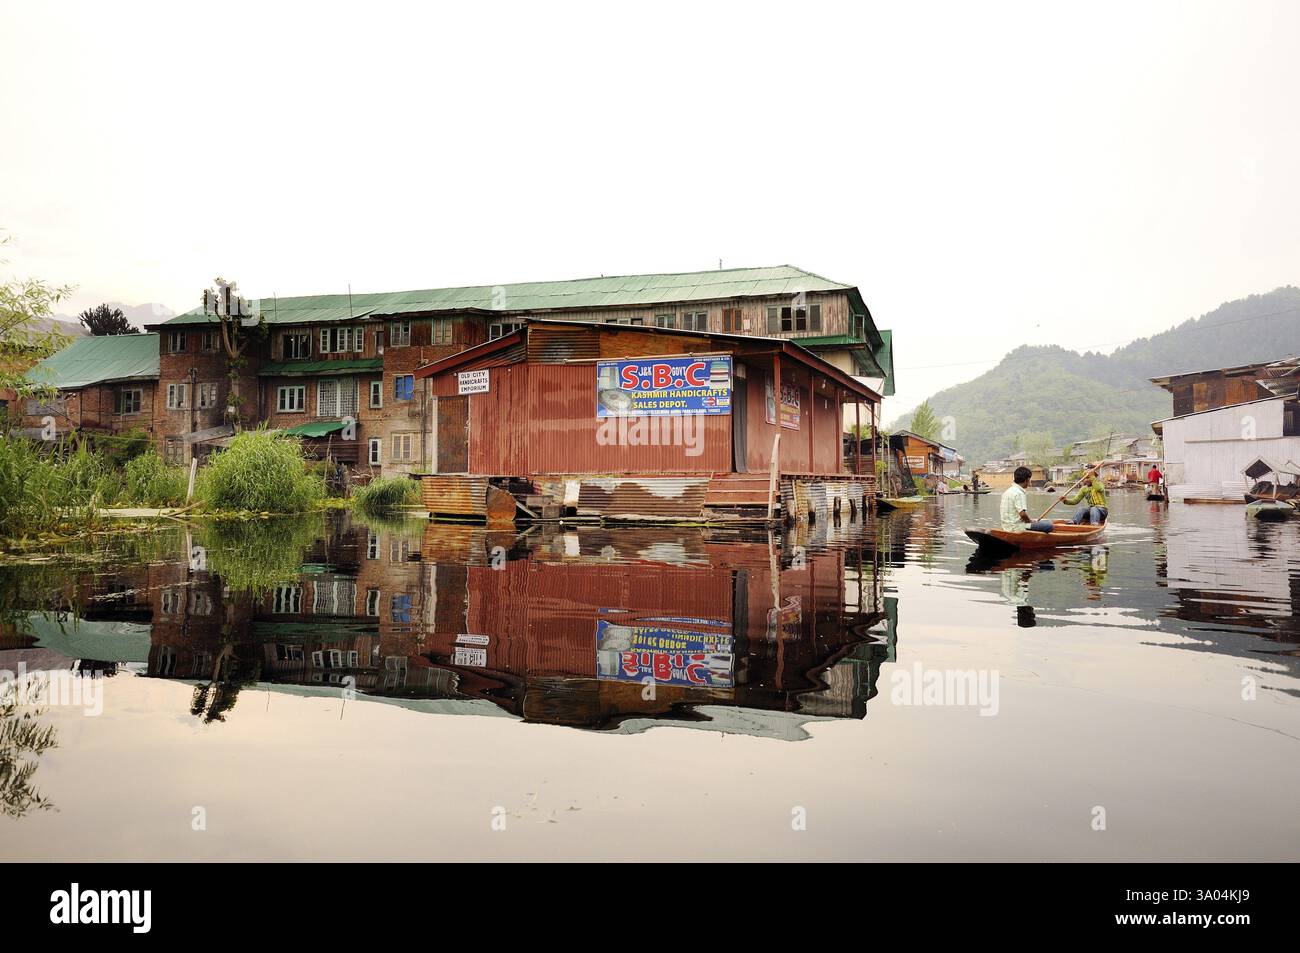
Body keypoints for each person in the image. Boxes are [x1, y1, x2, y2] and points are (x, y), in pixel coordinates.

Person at [1000, 466, 1055, 533]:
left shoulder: (1007, 491)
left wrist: (1030, 521)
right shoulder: (1019, 493)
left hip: (1006, 526)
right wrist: (1029, 522)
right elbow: (1022, 514)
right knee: (1049, 526)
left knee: (1044, 521)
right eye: (1030, 479)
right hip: (1017, 527)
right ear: (1027, 480)